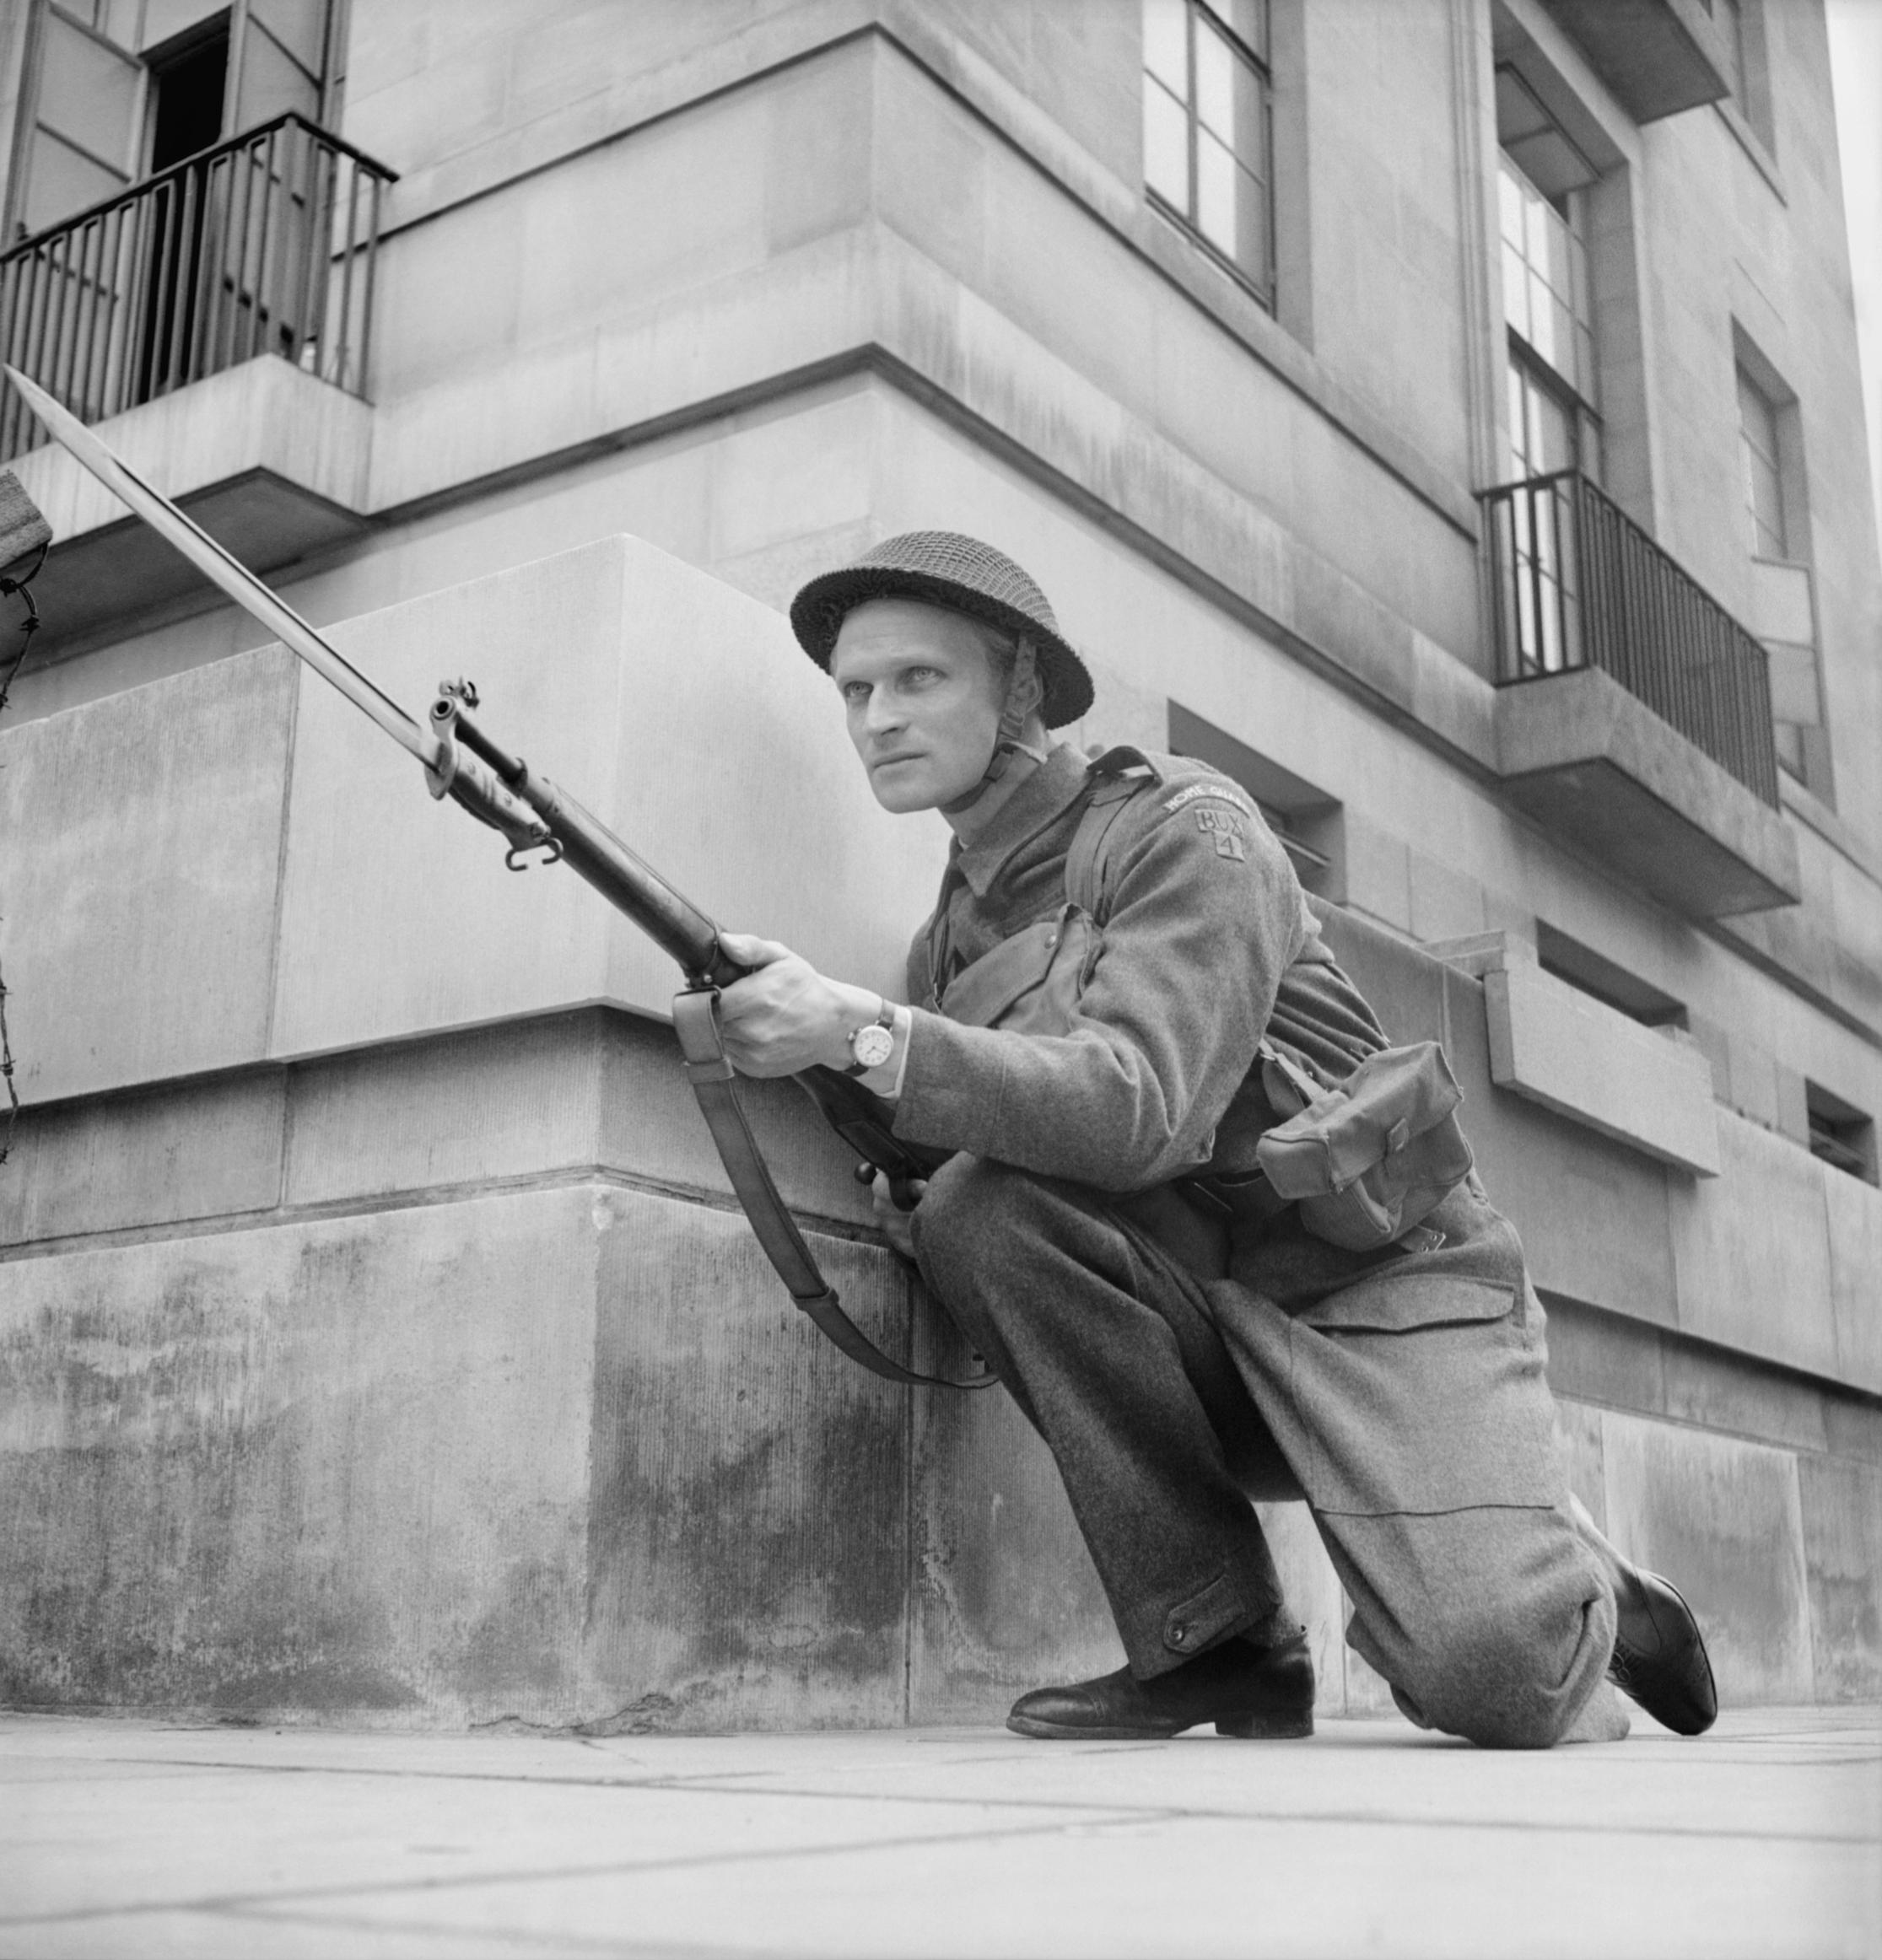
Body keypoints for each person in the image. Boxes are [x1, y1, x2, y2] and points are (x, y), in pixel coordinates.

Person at [714, 530, 1718, 1748]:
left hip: (1379, 1294)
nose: (875, 717)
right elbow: (987, 1168)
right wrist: (869, 1123)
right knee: (977, 1207)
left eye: (918, 679)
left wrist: (861, 1030)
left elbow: (1138, 1104)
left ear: (1021, 684)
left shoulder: (1190, 826)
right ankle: (1221, 1645)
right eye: (855, 691)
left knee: (1497, 1677)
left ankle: (1586, 1584)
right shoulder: (950, 944)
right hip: (1207, 1328)